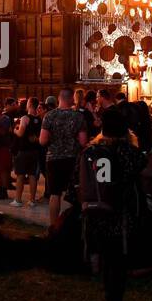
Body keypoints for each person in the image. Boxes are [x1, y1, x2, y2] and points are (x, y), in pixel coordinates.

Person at [78, 106, 147, 301]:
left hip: (95, 216)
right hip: (119, 218)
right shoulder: (128, 151)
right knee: (117, 266)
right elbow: (141, 173)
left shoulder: (91, 150)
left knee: (109, 263)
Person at [39, 90, 88, 228]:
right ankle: (78, 224)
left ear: (59, 99)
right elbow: (83, 142)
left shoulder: (49, 116)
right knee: (77, 191)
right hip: (73, 159)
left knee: (55, 194)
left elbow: (42, 140)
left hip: (53, 158)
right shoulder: (78, 117)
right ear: (72, 99)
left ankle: (54, 226)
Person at [11, 97, 44, 208]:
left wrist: (14, 129)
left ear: (29, 104)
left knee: (20, 175)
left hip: (24, 151)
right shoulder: (40, 119)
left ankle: (18, 200)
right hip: (34, 151)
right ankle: (32, 200)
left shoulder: (25, 118)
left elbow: (20, 134)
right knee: (32, 176)